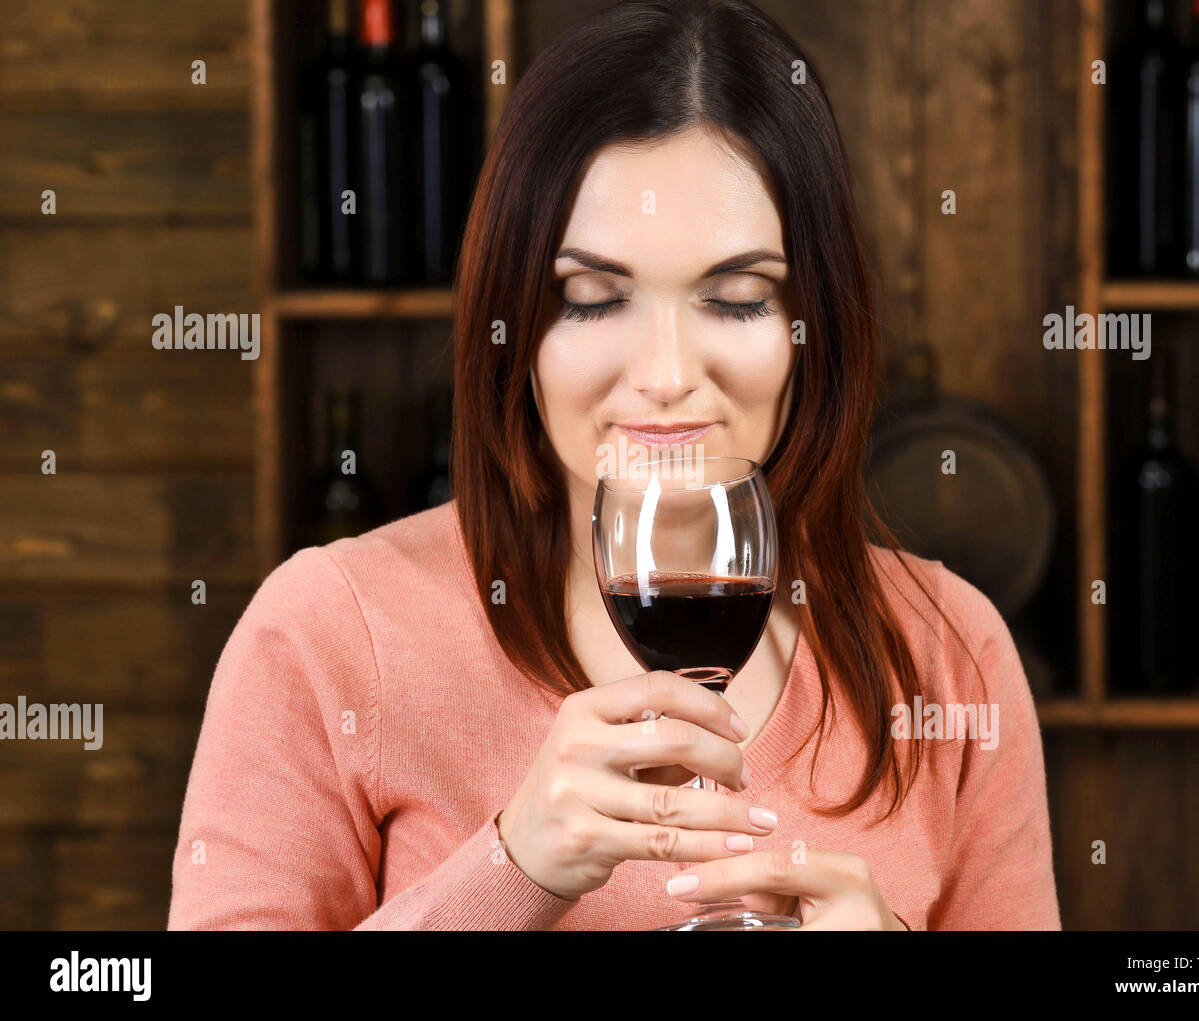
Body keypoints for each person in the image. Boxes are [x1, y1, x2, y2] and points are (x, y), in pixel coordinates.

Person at [168, 0, 1059, 931]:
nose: (666, 376)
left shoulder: (951, 651)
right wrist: (511, 870)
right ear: (515, 324)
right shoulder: (328, 632)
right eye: (591, 299)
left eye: (738, 298)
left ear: (814, 325)